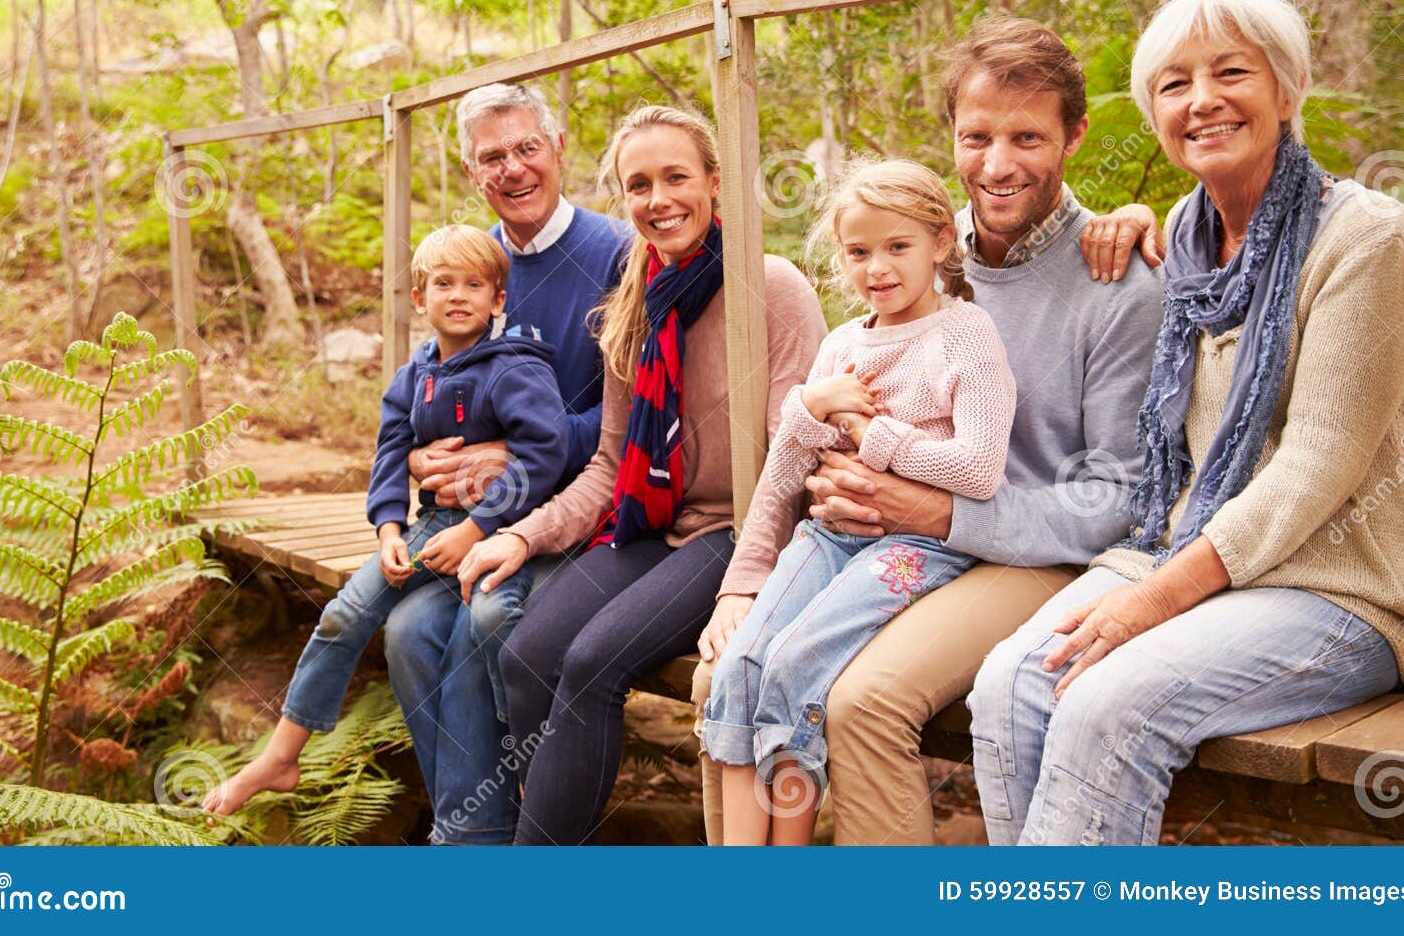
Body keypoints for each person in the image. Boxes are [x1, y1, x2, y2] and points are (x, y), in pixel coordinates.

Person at [968, 0, 1404, 845]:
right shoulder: (1181, 239)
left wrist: (1149, 602)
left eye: (1232, 72)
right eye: (1174, 84)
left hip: (1346, 585)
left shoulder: (1363, 236)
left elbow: (1316, 467)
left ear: (1287, 90)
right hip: (1191, 546)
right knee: (1010, 680)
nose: (1203, 100)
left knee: (1106, 701)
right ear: (1153, 113)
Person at [693, 15, 1166, 845]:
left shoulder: (1115, 279)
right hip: (883, 543)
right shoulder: (908, 248)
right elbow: (821, 422)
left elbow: (1119, 496)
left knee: (863, 699)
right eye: (976, 135)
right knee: (725, 672)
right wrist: (748, 575)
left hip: (1039, 552)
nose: (998, 164)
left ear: (1075, 136)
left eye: (1028, 136)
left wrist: (936, 511)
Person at [456, 104, 829, 845]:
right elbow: (608, 462)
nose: (659, 199)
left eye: (676, 177)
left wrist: (747, 583)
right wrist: (523, 538)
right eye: (638, 184)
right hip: (656, 522)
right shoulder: (633, 303)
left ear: (715, 181)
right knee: (527, 650)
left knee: (592, 661)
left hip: (745, 530)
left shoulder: (771, 286)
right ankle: (561, 829)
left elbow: (798, 459)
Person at [703, 159, 1016, 845]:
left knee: (796, 661)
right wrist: (808, 410)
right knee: (741, 663)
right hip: (828, 537)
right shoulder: (843, 343)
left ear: (939, 242)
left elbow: (980, 469)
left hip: (917, 551)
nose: (877, 267)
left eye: (897, 246)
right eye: (858, 251)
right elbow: (789, 470)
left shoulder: (967, 336)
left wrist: (875, 436)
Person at [202, 225, 566, 815]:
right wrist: (389, 531)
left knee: (494, 627)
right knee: (344, 614)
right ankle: (282, 755)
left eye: (474, 284)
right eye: (443, 284)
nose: (458, 296)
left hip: (503, 534)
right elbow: (390, 456)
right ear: (419, 299)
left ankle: (523, 763)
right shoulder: (411, 378)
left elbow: (545, 457)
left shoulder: (514, 370)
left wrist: (478, 528)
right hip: (426, 533)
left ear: (499, 300)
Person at [381, 83, 629, 844]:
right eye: (494, 156)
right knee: (407, 633)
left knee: (486, 616)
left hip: (582, 509)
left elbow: (637, 419)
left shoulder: (618, 253)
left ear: (558, 150)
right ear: (471, 170)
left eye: (528, 147)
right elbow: (426, 393)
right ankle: (478, 831)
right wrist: (423, 453)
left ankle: (525, 817)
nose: (515, 168)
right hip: (472, 518)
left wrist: (528, 447)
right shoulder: (473, 263)